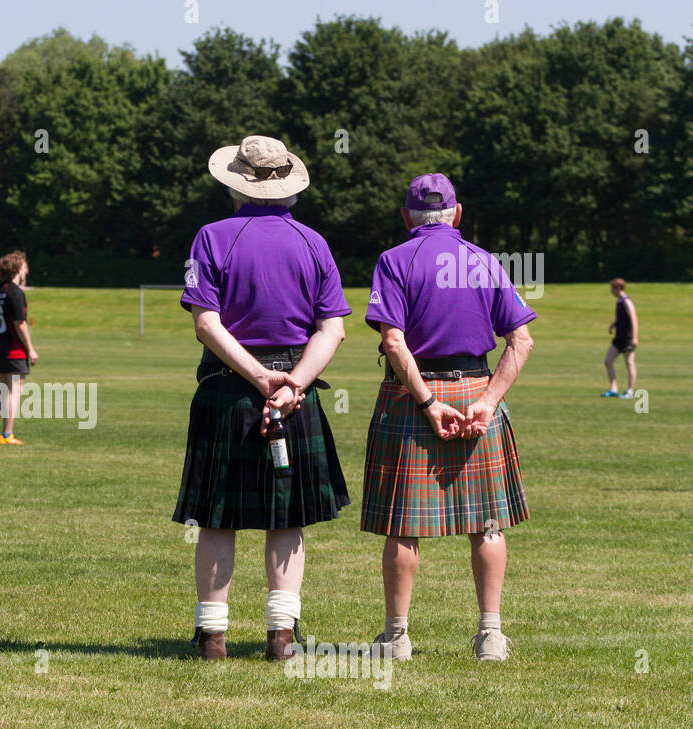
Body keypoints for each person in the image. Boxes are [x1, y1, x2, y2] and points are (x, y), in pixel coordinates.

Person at [172, 135, 350, 662]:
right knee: (286, 517)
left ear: (237, 185)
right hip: (294, 394)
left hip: (227, 389)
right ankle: (281, 637)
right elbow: (333, 330)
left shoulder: (210, 237)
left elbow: (206, 323)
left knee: (218, 515)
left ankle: (213, 638)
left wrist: (256, 377)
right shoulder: (315, 242)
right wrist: (292, 382)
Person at [361, 173, 536, 663]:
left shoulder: (394, 261)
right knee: (487, 521)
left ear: (405, 217)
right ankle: (491, 636)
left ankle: (396, 638)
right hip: (477, 389)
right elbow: (521, 340)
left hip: (411, 395)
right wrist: (490, 400)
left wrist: (426, 402)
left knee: (403, 523)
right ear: (457, 214)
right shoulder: (482, 261)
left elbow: (393, 342)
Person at [0, 251, 38, 445]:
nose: (27, 269)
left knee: (0, 390)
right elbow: (20, 323)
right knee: (14, 391)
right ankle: (8, 434)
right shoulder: (16, 292)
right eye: (25, 265)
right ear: (17, 268)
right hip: (14, 349)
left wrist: (1, 337)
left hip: (0, 346)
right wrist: (30, 349)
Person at [602, 277, 638, 398]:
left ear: (618, 288)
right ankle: (614, 389)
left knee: (629, 363)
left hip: (627, 338)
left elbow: (633, 318)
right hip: (619, 338)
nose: (611, 291)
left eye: (612, 288)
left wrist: (634, 337)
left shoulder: (627, 301)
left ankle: (630, 391)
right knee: (608, 361)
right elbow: (622, 318)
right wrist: (614, 324)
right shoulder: (619, 301)